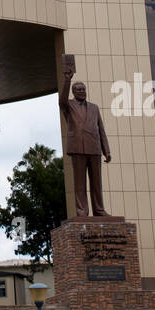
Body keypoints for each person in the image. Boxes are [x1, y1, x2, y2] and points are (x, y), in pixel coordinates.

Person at [59, 55, 112, 217]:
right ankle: (82, 211)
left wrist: (106, 150)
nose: (82, 92)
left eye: (83, 89)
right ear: (74, 93)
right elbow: (61, 100)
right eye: (79, 90)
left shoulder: (94, 108)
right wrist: (67, 80)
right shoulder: (69, 105)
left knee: (97, 182)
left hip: (94, 148)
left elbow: (101, 129)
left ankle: (99, 210)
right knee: (80, 183)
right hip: (78, 148)